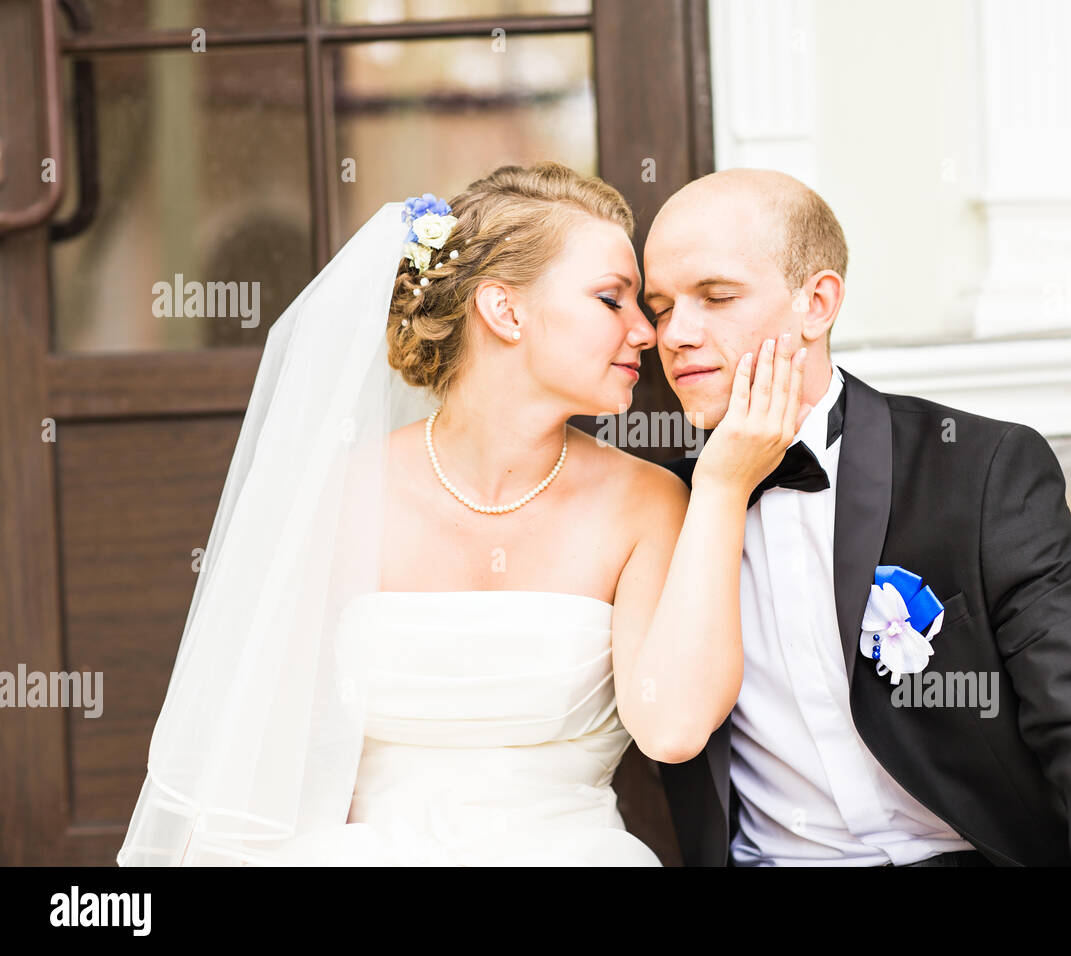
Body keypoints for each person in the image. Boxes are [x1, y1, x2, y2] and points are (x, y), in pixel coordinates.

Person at [116, 162, 805, 866]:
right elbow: (254, 764)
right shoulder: (344, 494)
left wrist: (721, 488)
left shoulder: (648, 501)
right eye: (612, 300)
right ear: (504, 310)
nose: (646, 333)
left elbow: (674, 728)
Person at [644, 167, 1071, 867]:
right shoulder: (660, 506)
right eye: (660, 308)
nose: (676, 334)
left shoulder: (979, 469)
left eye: (715, 296)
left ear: (817, 303)